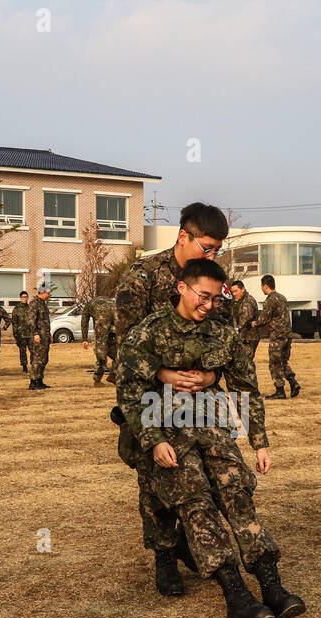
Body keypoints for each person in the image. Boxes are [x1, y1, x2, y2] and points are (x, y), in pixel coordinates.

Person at [117, 258, 305, 618]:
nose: (208, 305)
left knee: (237, 490)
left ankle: (272, 585)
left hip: (211, 423)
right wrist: (153, 441)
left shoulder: (222, 330)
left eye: (216, 299)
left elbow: (245, 386)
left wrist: (259, 442)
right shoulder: (149, 332)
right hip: (165, 425)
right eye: (203, 297)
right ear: (181, 288)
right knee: (195, 500)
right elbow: (129, 392)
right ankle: (235, 595)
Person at [113, 202, 231, 595]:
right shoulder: (142, 277)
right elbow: (125, 347)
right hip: (150, 396)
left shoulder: (210, 280)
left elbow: (223, 336)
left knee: (205, 476)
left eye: (217, 250)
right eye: (208, 247)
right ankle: (165, 558)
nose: (212, 255)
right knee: (154, 480)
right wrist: (162, 373)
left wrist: (212, 373)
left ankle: (188, 540)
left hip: (198, 399)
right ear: (184, 236)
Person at [258, 275, 299, 399]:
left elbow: (263, 319)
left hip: (277, 335)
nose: (261, 289)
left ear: (265, 286)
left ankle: (280, 391)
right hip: (287, 334)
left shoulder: (270, 300)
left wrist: (255, 323)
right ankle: (293, 382)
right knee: (283, 360)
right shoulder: (282, 297)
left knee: (275, 363)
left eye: (262, 286)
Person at [80, 295, 118, 384]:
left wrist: (84, 339)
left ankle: (103, 377)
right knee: (115, 356)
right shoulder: (112, 304)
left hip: (105, 333)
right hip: (109, 333)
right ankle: (107, 376)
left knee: (102, 357)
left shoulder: (90, 304)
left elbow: (84, 321)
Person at [228, 280, 260, 359]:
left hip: (249, 337)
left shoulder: (247, 301)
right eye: (233, 292)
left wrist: (236, 329)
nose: (234, 294)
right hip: (246, 336)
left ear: (243, 289)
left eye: (236, 291)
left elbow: (245, 318)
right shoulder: (241, 300)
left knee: (246, 361)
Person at [28, 285, 52, 390]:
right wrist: (35, 334)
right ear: (42, 292)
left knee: (44, 359)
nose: (49, 294)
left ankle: (40, 380)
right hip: (38, 337)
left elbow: (46, 321)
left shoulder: (43, 304)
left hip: (45, 336)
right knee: (36, 359)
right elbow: (31, 321)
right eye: (48, 292)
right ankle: (33, 381)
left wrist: (49, 334)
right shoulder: (34, 304)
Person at [10, 291, 33, 372]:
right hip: (21, 334)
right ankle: (24, 367)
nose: (25, 298)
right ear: (20, 298)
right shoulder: (16, 309)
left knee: (33, 351)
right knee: (22, 351)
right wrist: (15, 335)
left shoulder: (31, 308)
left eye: (26, 297)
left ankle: (33, 366)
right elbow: (14, 322)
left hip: (31, 334)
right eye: (23, 297)